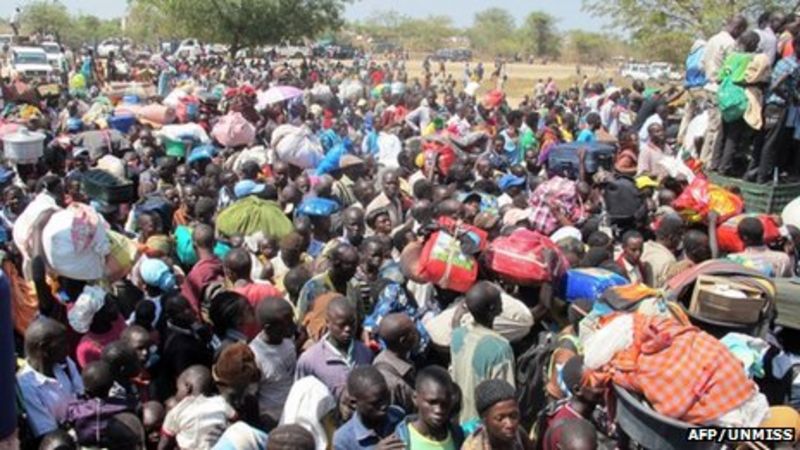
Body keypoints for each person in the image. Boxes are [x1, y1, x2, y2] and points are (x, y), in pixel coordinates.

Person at [450, 282, 515, 423]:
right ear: (493, 309)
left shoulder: (457, 335)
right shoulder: (500, 348)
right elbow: (504, 396)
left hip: (459, 419)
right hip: (480, 424)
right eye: (499, 299)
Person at [17, 317, 84, 438]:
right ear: (44, 348)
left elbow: (82, 396)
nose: (68, 348)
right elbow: (48, 433)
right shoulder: (26, 387)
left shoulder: (65, 364)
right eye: (62, 344)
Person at [295, 296, 373, 398]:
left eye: (352, 323)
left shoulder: (365, 353)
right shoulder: (309, 360)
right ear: (328, 322)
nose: (348, 329)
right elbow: (301, 397)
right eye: (341, 325)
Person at [701, 15, 749, 166]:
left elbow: (702, 63)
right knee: (717, 128)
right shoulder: (730, 44)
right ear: (738, 28)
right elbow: (730, 68)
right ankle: (709, 161)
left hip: (708, 86)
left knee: (710, 125)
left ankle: (704, 158)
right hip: (720, 89)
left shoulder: (712, 39)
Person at [250, 296, 297, 428]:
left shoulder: (288, 343)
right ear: (268, 328)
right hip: (272, 420)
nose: (293, 325)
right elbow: (252, 397)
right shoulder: (254, 355)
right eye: (286, 323)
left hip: (294, 413)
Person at [332, 366, 405, 450]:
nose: (384, 405)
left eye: (387, 397)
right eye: (375, 403)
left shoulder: (397, 415)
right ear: (353, 403)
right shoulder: (343, 439)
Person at [394, 366, 464, 450]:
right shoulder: (399, 442)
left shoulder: (458, 438)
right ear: (415, 398)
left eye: (445, 404)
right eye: (432, 402)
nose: (439, 410)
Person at [462, 379, 532, 450]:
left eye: (514, 416)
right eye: (500, 418)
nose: (510, 424)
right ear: (484, 420)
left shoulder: (519, 435)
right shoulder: (474, 447)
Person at [296, 243, 359, 320]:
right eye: (351, 266)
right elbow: (302, 318)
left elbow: (359, 318)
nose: (355, 271)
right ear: (337, 264)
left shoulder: (353, 287)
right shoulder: (314, 287)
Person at [374, 313, 419, 414]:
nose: (417, 333)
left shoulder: (398, 359)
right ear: (403, 341)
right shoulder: (390, 382)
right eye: (413, 331)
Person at [181, 224, 224, 316]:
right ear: (215, 243)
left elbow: (192, 308)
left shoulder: (194, 277)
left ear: (193, 245)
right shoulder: (226, 267)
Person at [642, 213, 684, 288]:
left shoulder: (643, 247)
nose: (681, 238)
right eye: (680, 235)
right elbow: (666, 291)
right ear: (671, 237)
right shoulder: (669, 261)